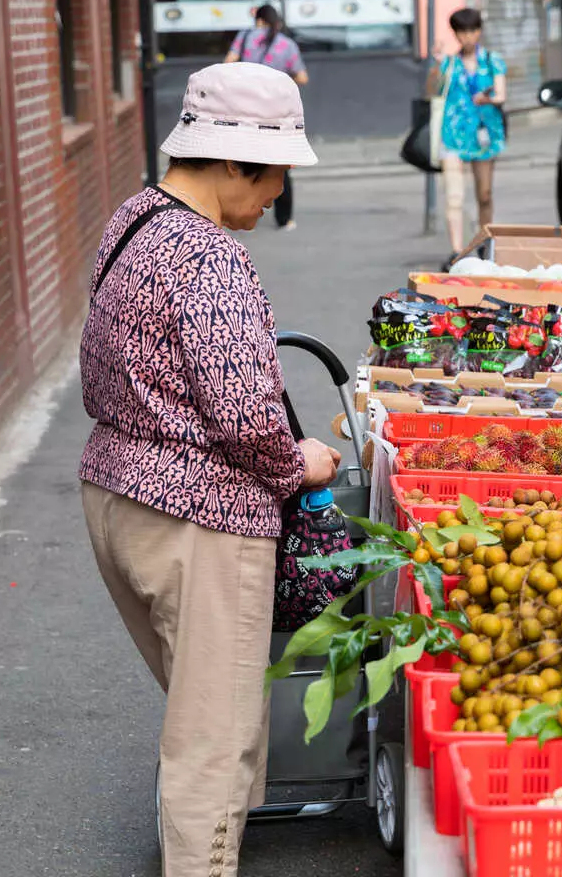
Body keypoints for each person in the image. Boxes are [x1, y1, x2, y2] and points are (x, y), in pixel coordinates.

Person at [78, 61, 341, 876]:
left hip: (117, 496)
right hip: (201, 522)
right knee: (213, 746)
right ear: (232, 161)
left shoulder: (133, 219)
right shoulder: (210, 259)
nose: (275, 198)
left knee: (200, 720)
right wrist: (302, 461)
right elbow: (248, 421)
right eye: (273, 180)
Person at [427, 7, 507, 258]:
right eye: (461, 32)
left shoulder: (492, 60)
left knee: (484, 194)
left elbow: (502, 94)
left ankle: (484, 244)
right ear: (455, 34)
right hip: (452, 134)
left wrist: (488, 99)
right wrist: (436, 64)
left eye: (472, 31)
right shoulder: (449, 64)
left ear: (479, 31)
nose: (467, 37)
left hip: (484, 133)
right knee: (454, 196)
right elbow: (432, 91)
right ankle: (457, 251)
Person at [226, 5, 308, 230]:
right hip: (275, 114)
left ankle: (239, 213)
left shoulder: (244, 38)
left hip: (246, 111)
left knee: (243, 161)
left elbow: (226, 66)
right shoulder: (287, 45)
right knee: (279, 164)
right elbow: (302, 77)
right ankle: (284, 219)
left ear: (259, 20)